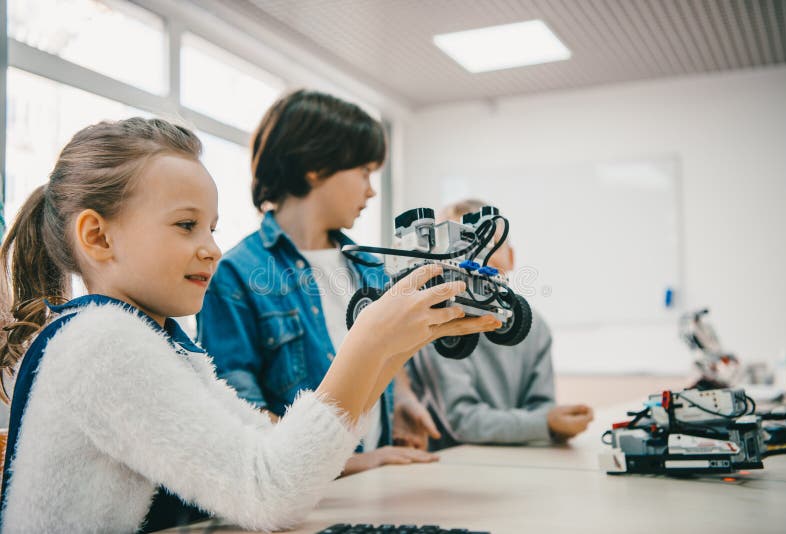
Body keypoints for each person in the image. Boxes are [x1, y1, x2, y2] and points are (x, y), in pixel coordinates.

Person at [0, 118, 498, 532]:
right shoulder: (101, 344)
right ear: (98, 236)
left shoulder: (152, 342)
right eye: (186, 225)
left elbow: (269, 448)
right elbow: (269, 491)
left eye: (212, 228)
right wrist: (369, 342)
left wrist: (392, 349)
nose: (212, 248)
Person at [197, 90, 441, 474]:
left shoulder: (369, 267)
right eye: (364, 172)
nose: (371, 190)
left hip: (377, 483)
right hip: (308, 497)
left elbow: (388, 351)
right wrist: (353, 462)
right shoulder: (236, 275)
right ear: (315, 166)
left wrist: (403, 399)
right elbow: (242, 419)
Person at [408, 199, 594, 450]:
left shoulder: (535, 326)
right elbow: (462, 420)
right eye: (460, 246)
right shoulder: (436, 323)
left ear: (511, 257)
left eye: (489, 244)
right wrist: (545, 424)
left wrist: (551, 422)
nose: (477, 256)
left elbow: (542, 407)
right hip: (452, 461)